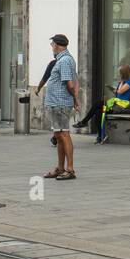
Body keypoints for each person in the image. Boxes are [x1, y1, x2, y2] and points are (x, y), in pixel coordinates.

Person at [43, 35, 79, 182]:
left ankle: (70, 169)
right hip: (56, 103)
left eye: (52, 45)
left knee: (64, 134)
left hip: (60, 103)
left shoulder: (64, 60)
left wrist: (75, 98)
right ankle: (60, 168)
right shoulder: (65, 59)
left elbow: (70, 83)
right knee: (58, 135)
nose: (52, 47)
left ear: (57, 45)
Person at [75, 65, 130, 144]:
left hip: (121, 106)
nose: (118, 74)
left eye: (119, 73)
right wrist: (113, 89)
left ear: (123, 73)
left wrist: (120, 84)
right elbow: (118, 93)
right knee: (97, 112)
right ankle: (100, 136)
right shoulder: (122, 82)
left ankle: (84, 122)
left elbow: (121, 91)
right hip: (115, 105)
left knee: (97, 104)